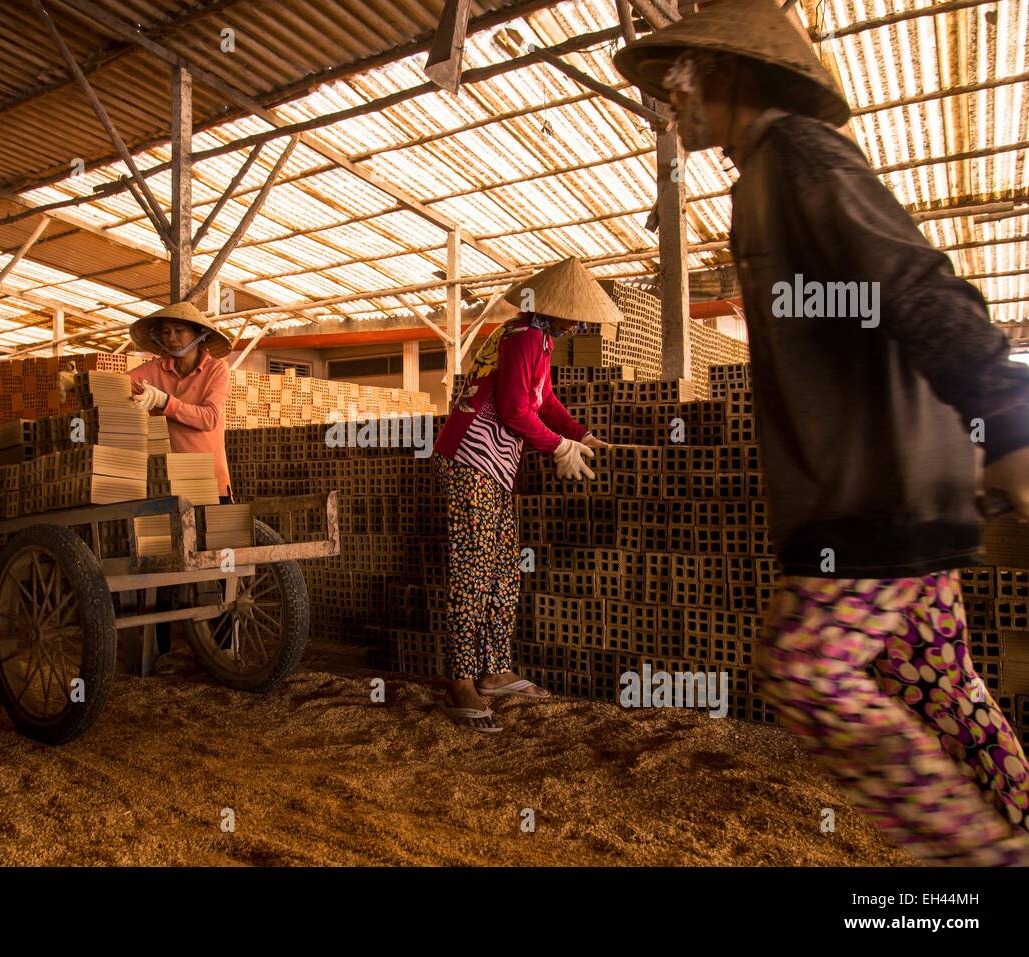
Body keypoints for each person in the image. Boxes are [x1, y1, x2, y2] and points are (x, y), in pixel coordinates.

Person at [615, 0, 1029, 864]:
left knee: (804, 668)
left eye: (683, 79)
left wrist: (1008, 417)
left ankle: (983, 857)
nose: (672, 98)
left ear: (727, 75)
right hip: (900, 485)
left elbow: (910, 275)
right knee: (943, 684)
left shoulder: (801, 154)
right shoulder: (762, 172)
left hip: (877, 494)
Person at [431, 257, 617, 731]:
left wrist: (582, 434)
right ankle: (460, 680)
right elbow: (514, 410)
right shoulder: (525, 337)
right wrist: (557, 446)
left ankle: (493, 669)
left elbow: (543, 400)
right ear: (555, 309)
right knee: (474, 569)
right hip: (472, 459)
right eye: (574, 314)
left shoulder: (535, 337)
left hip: (496, 466)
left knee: (501, 568)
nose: (579, 322)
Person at [127, 302, 234, 502]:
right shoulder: (154, 369)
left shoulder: (216, 369)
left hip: (209, 481)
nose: (172, 338)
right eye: (166, 332)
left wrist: (164, 401)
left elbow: (209, 418)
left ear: (198, 334)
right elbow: (117, 383)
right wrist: (78, 381)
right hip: (168, 481)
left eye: (179, 331)